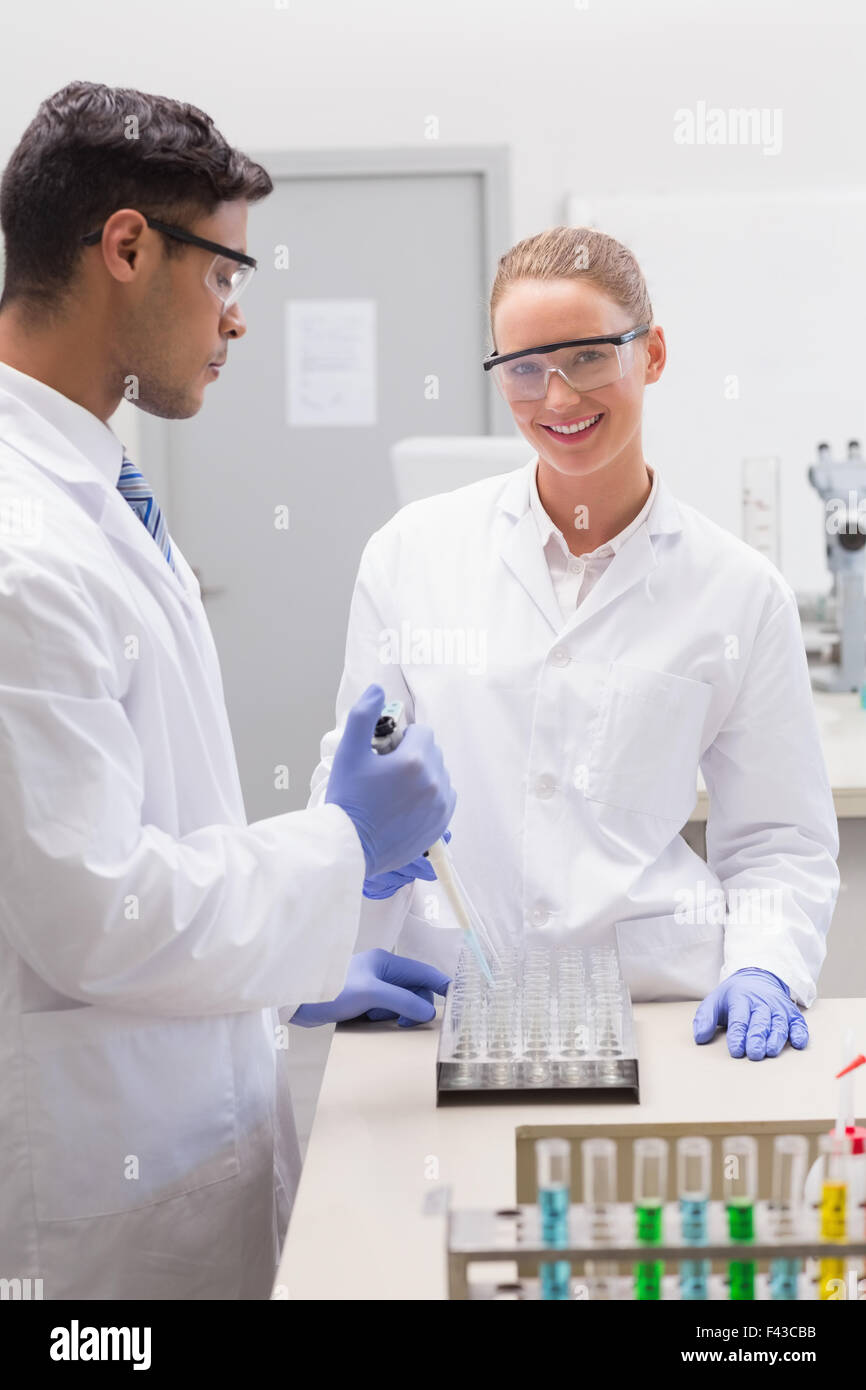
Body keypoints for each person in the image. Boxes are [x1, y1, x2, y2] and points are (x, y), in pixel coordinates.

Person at [0, 82, 455, 1300]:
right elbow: (92, 910)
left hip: (174, 1131)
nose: (238, 320)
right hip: (91, 1232)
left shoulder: (96, 493)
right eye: (226, 275)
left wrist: (291, 973)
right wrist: (343, 845)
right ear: (129, 246)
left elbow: (140, 838)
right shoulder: (22, 551)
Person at [310, 225, 840, 1064]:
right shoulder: (412, 554)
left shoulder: (738, 590)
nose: (556, 398)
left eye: (590, 357)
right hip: (445, 1006)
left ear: (652, 353)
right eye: (523, 368)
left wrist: (768, 965)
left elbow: (780, 840)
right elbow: (351, 780)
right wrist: (338, 903)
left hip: (661, 1012)